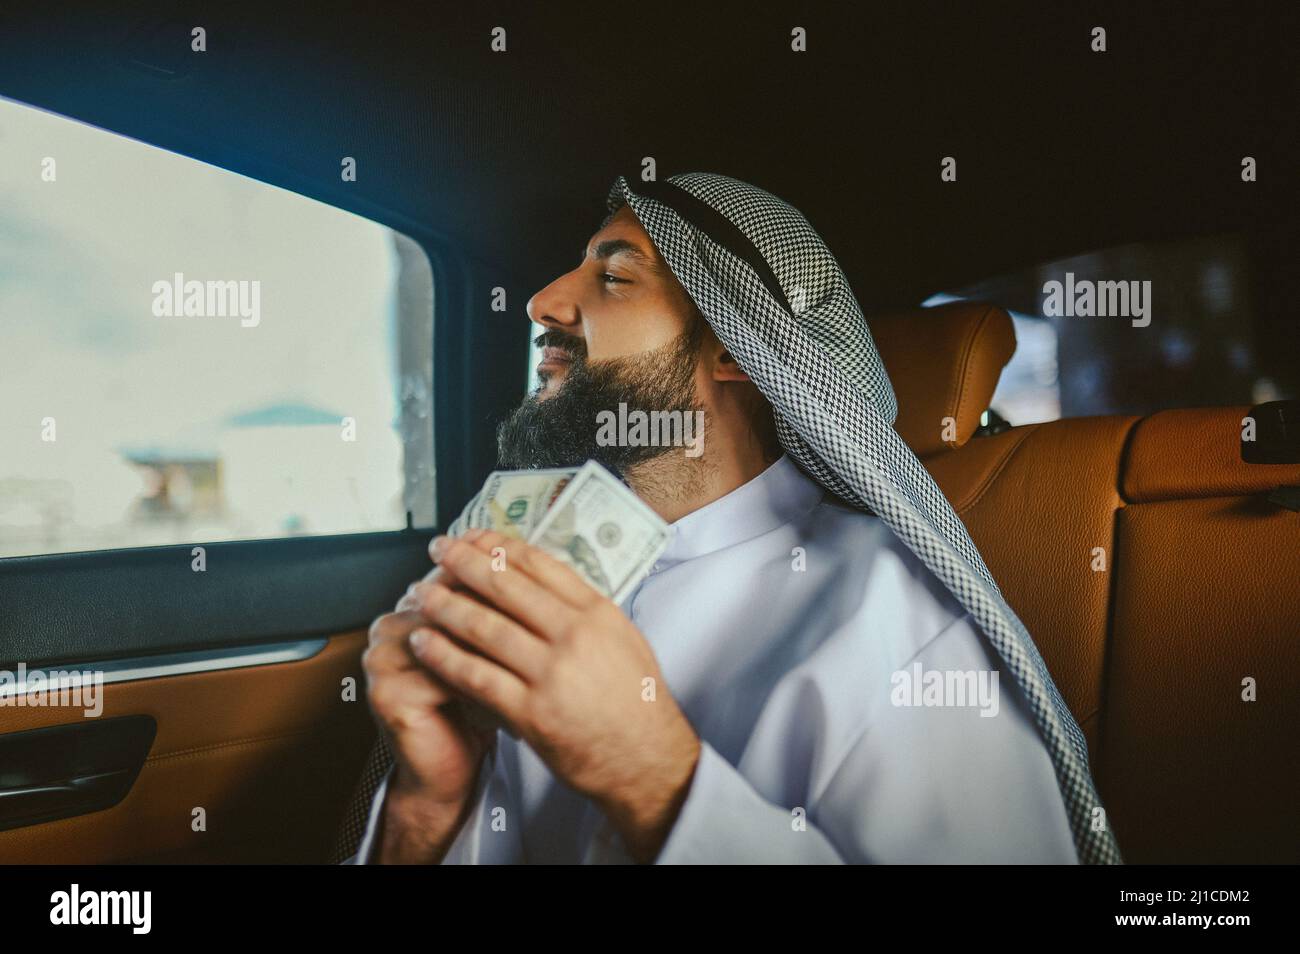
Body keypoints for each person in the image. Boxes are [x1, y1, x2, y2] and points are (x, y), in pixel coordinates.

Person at [351, 173, 1118, 864]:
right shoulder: (532, 571)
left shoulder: (894, 627)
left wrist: (654, 776)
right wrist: (427, 809)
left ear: (739, 350)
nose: (543, 301)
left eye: (614, 276)